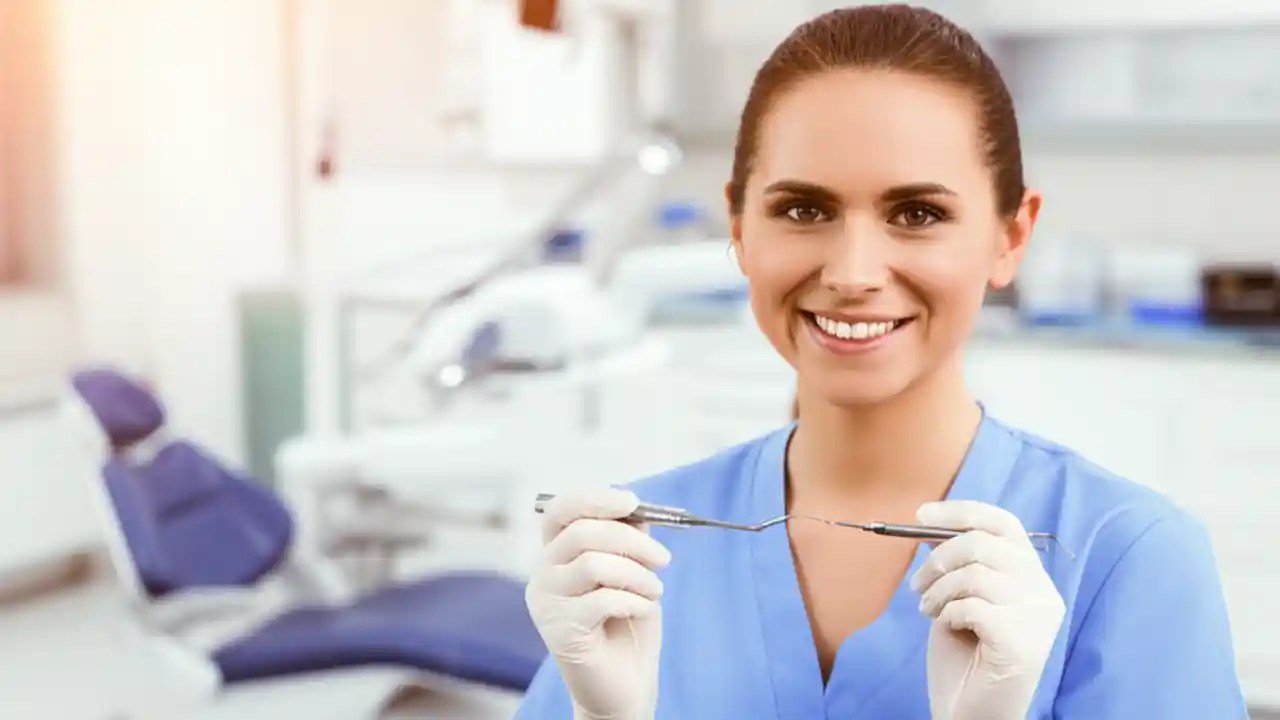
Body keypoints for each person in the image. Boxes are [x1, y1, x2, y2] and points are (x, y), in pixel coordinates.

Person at [516, 5, 1247, 719]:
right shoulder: (637, 548)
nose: (854, 271)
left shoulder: (1128, 557)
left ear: (1010, 236)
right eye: (804, 210)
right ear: (739, 226)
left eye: (917, 214)